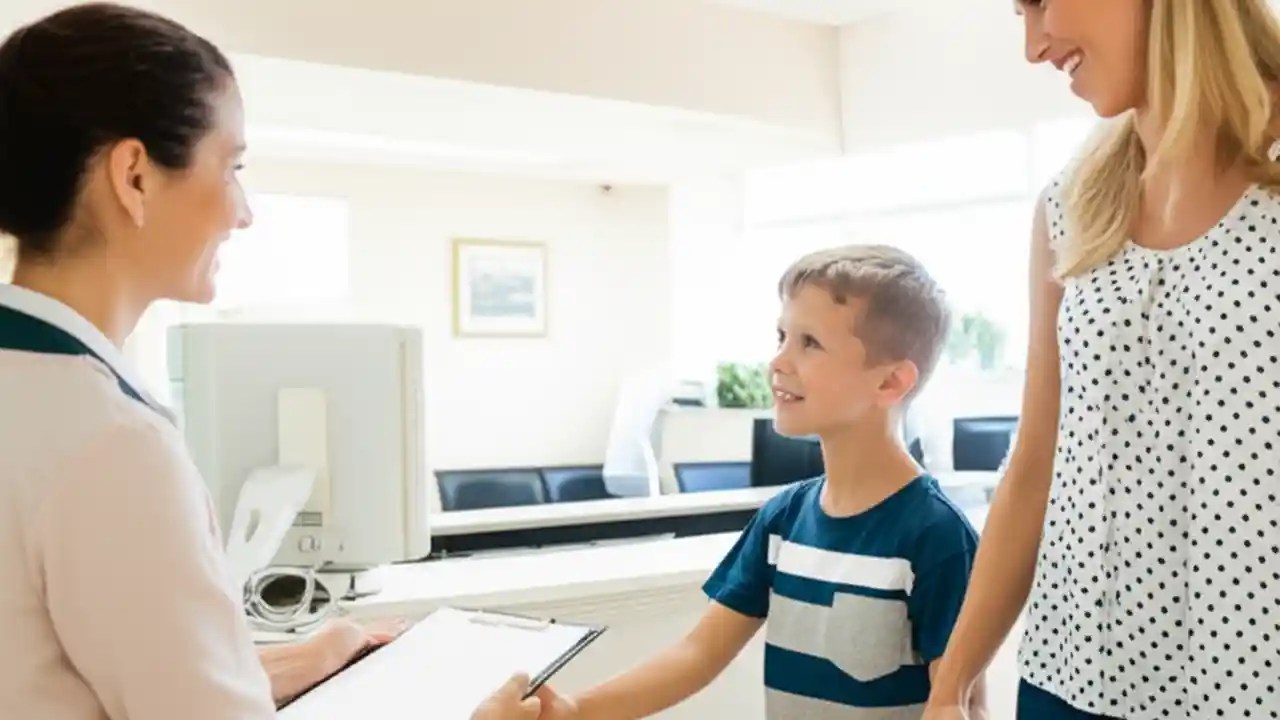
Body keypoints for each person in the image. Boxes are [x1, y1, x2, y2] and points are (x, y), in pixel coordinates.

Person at [0, 4, 542, 719]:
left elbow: (66, 662)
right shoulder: (111, 444)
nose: (242, 212)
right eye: (231, 167)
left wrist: (294, 662)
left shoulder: (36, 396)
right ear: (134, 176)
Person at [923, 1, 1280, 719]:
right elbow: (1037, 460)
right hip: (1068, 681)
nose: (1034, 46)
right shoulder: (1070, 206)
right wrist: (952, 680)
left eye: (1040, 2)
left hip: (1249, 687)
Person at [538, 245, 982, 719]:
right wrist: (573, 711)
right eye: (781, 337)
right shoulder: (783, 520)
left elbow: (962, 705)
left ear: (890, 383)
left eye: (809, 342)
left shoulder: (937, 537)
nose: (777, 362)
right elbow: (697, 656)